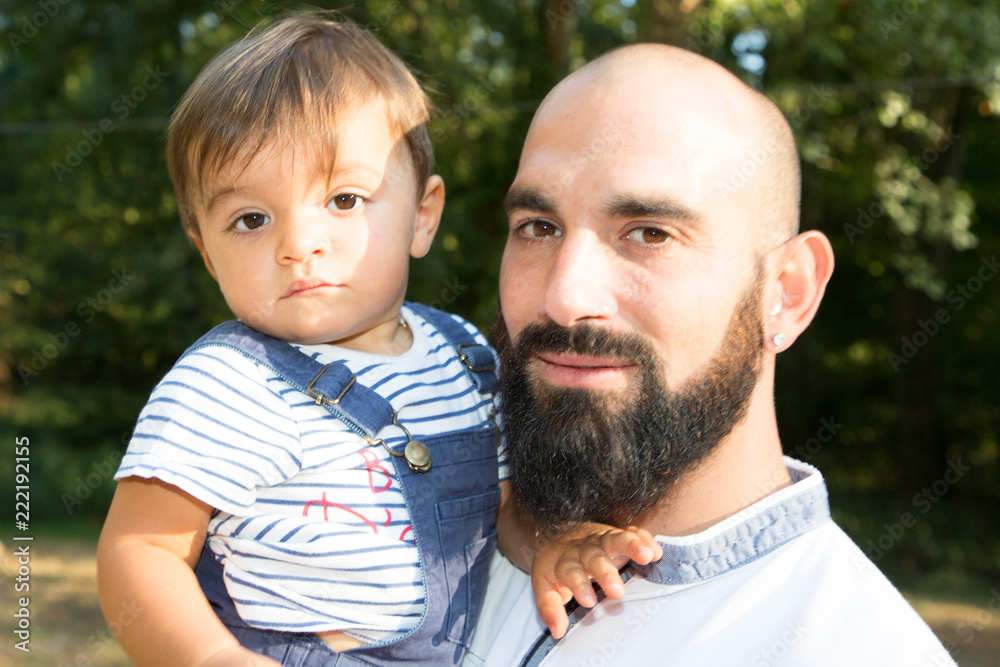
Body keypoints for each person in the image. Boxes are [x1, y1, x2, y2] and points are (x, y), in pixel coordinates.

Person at [96, 15, 658, 667]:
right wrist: (209, 657)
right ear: (208, 256)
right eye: (251, 218)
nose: (298, 244)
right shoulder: (227, 383)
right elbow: (141, 550)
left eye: (343, 199)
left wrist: (551, 544)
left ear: (422, 215)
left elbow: (500, 509)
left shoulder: (463, 356)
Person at [464, 44, 958, 666]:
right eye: (539, 227)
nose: (565, 297)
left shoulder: (850, 651)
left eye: (650, 234)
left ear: (788, 292)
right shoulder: (410, 528)